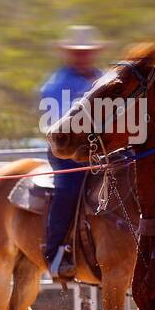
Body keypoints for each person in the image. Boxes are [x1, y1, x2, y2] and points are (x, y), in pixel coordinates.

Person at [39, 25, 105, 281]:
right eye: (78, 53)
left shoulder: (103, 77)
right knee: (68, 189)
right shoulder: (57, 84)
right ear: (69, 55)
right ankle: (55, 253)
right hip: (66, 151)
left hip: (101, 150)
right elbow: (57, 126)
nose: (82, 57)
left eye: (86, 52)